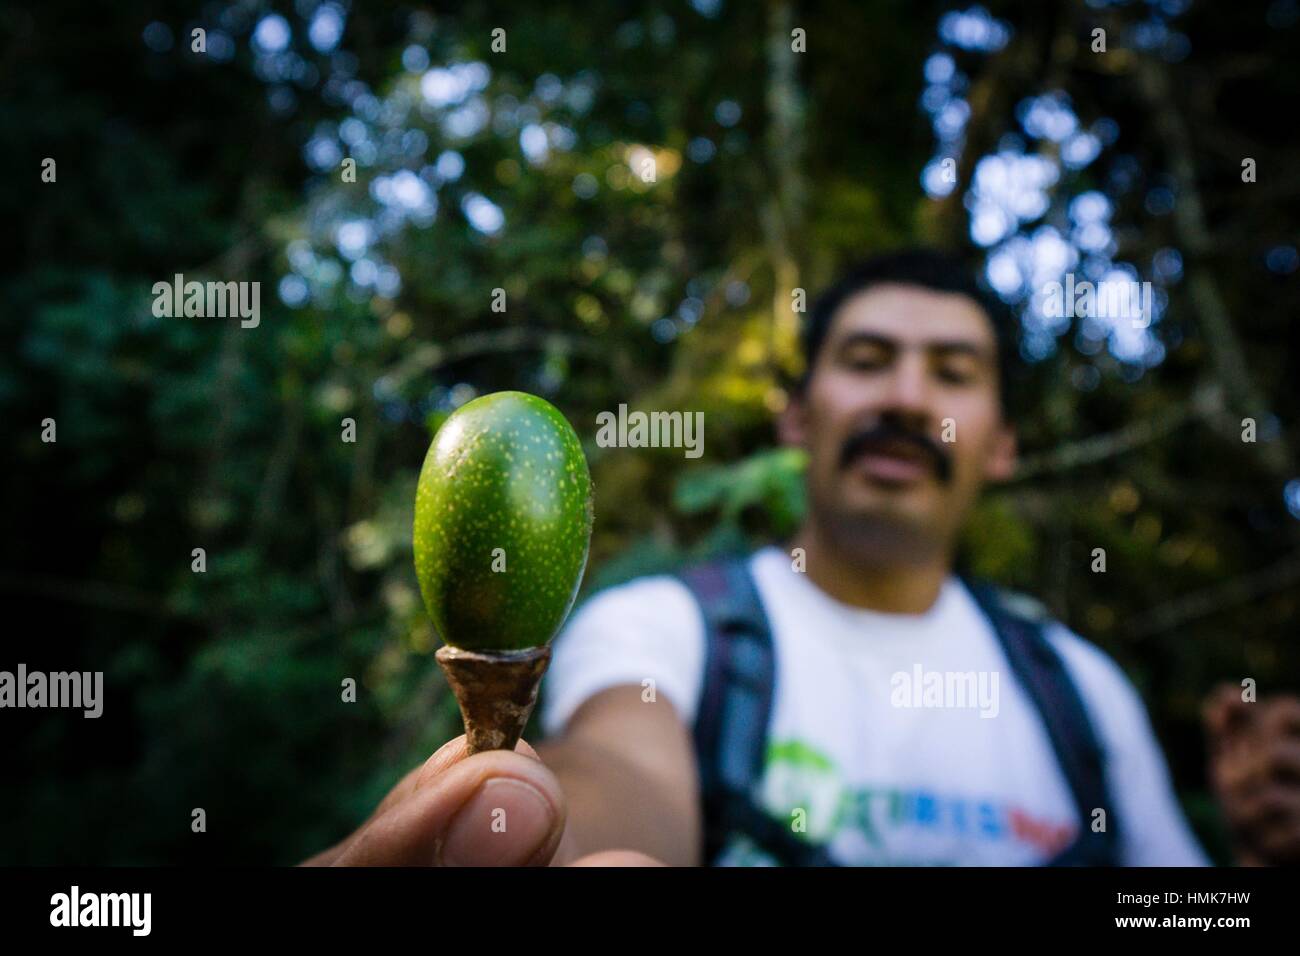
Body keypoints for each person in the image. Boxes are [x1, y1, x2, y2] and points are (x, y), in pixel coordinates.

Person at [307, 249, 1300, 867]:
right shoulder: (663, 627)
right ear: (796, 415)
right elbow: (619, 771)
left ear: (1002, 444)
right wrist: (562, 838)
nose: (906, 397)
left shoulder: (1084, 691)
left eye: (951, 371)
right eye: (866, 359)